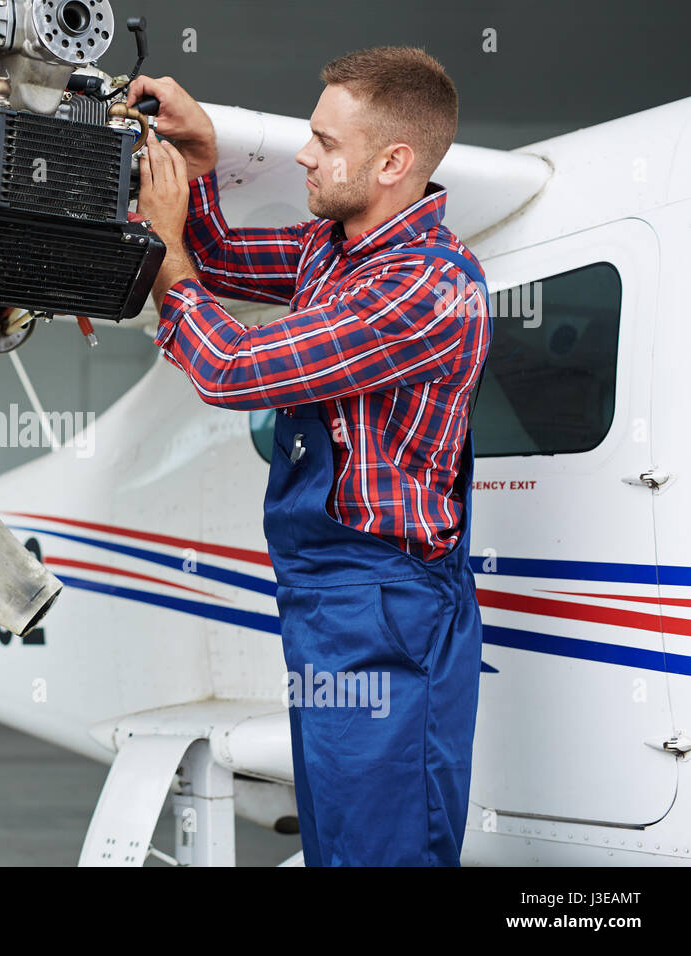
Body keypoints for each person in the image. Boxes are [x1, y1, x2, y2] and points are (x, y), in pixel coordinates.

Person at [131, 47, 489, 866]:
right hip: (330, 602)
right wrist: (200, 157)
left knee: (378, 853)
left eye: (325, 142)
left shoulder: (425, 288)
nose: (303, 154)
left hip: (385, 605)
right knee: (339, 844)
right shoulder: (331, 250)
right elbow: (215, 259)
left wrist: (165, 253)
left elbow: (228, 368)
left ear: (393, 162)